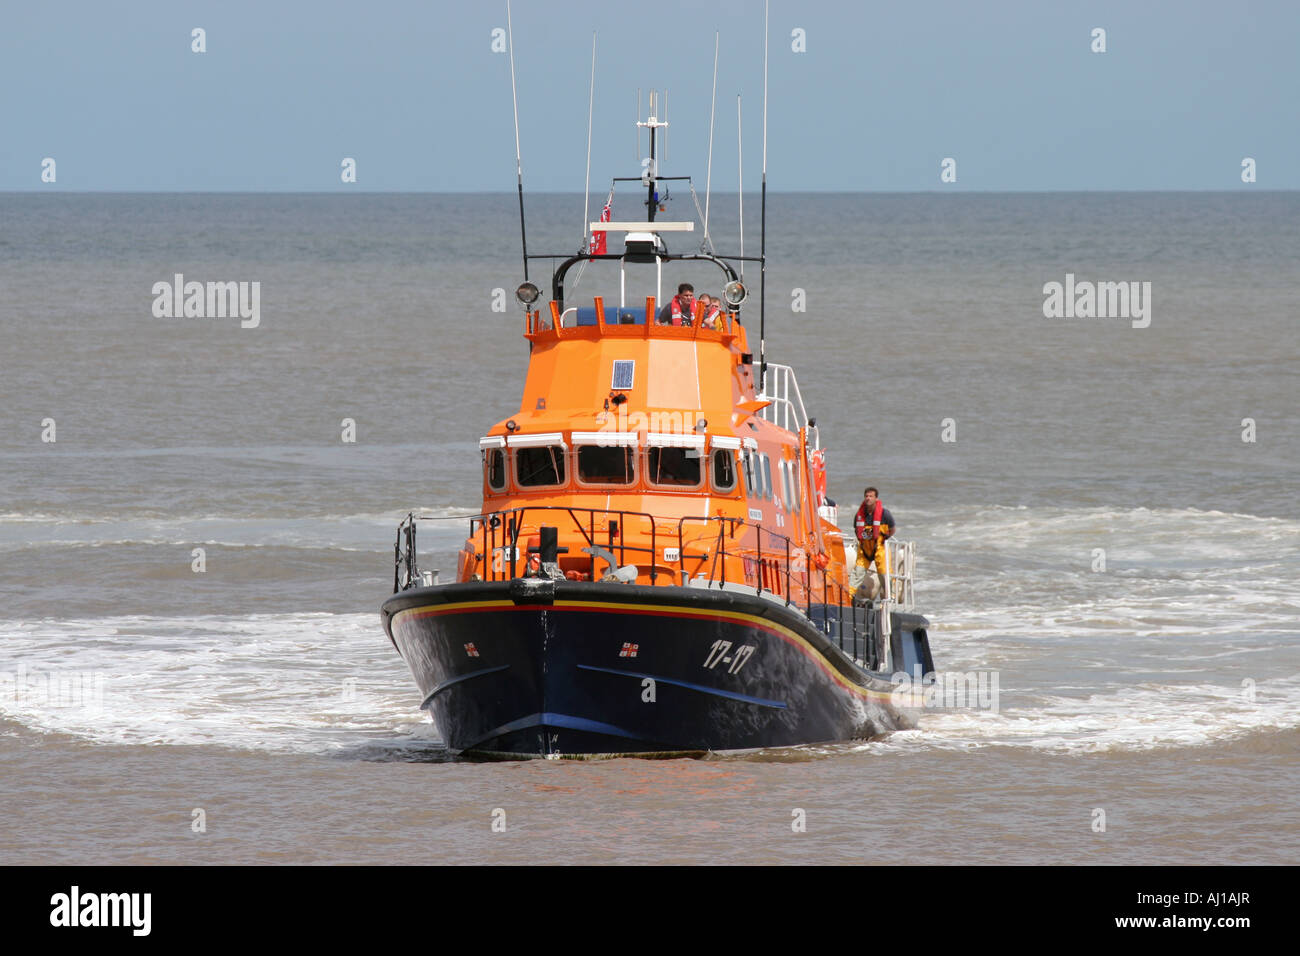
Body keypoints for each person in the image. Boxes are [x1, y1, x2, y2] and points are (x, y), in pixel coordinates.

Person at [852, 487, 895, 604]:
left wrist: (885, 538)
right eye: (866, 496)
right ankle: (848, 596)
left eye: (871, 496)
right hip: (864, 549)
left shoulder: (885, 514)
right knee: (857, 573)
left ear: (876, 498)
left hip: (880, 548)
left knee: (884, 573)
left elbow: (892, 529)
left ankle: (890, 596)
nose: (868, 498)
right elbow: (856, 529)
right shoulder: (860, 514)